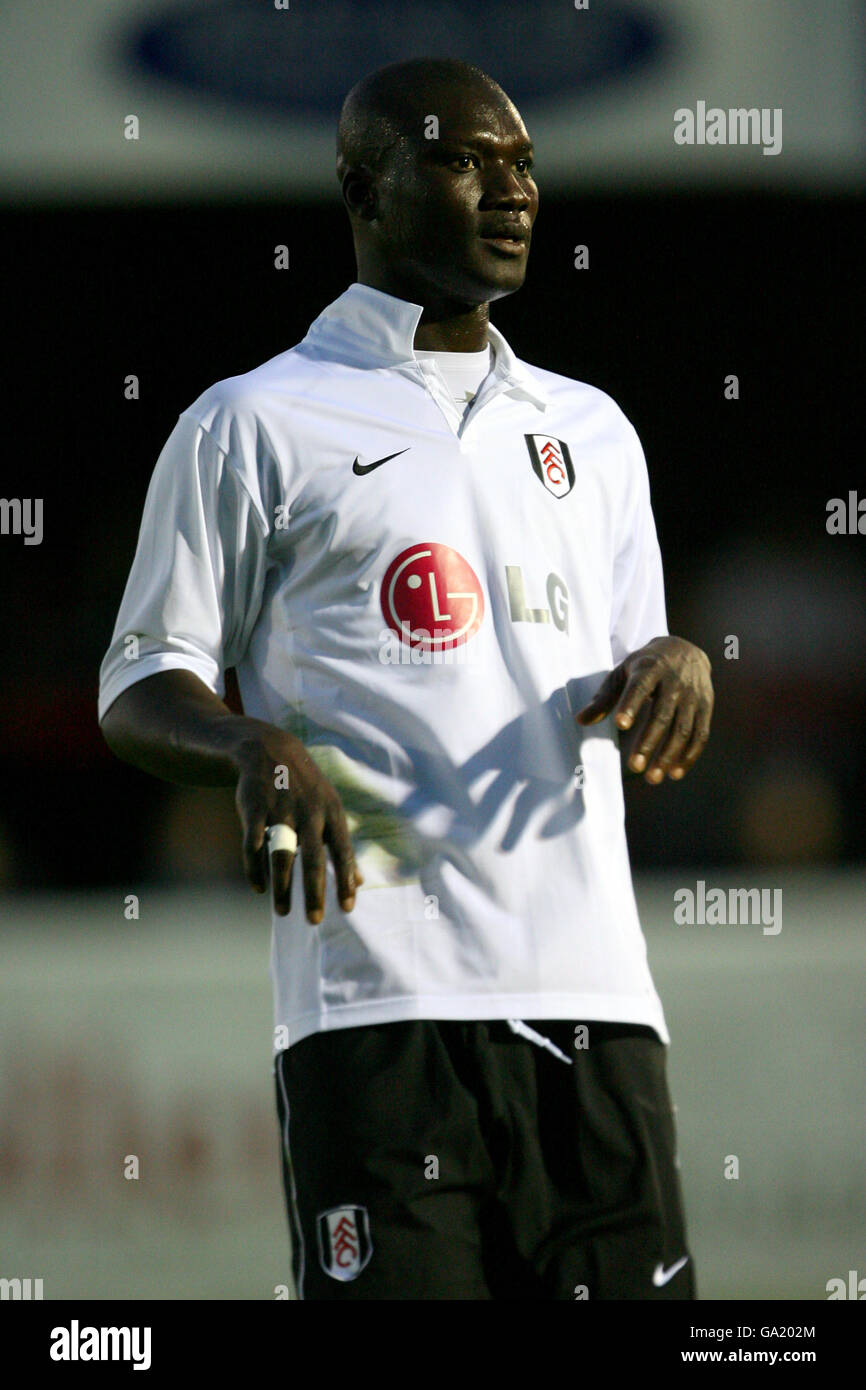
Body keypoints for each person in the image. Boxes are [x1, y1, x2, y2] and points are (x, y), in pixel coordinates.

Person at [98, 56, 714, 1300]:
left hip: (596, 1005)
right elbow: (140, 679)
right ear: (361, 187)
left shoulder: (592, 432)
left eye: (523, 162)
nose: (511, 190)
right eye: (462, 158)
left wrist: (678, 662)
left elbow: (630, 658)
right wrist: (246, 745)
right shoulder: (253, 421)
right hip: (375, 1012)